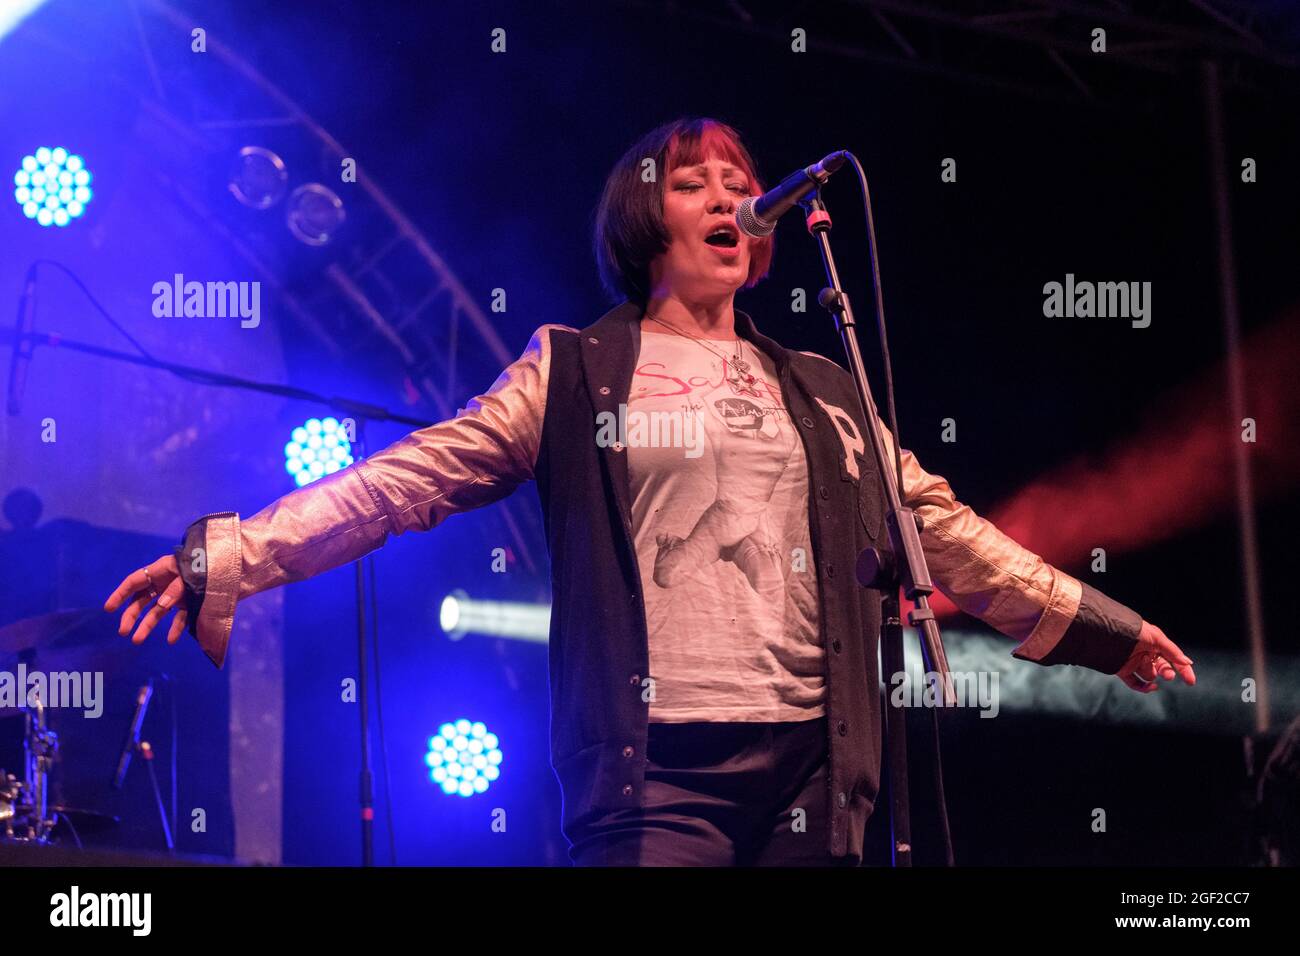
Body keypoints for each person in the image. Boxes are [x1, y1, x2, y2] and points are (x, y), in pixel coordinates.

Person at [104, 117, 1196, 866]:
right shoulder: (576, 366)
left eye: (738, 179)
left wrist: (1103, 624)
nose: (729, 193)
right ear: (647, 221)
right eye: (693, 181)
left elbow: (943, 532)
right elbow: (412, 476)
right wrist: (235, 552)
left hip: (818, 763)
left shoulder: (819, 386)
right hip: (655, 768)